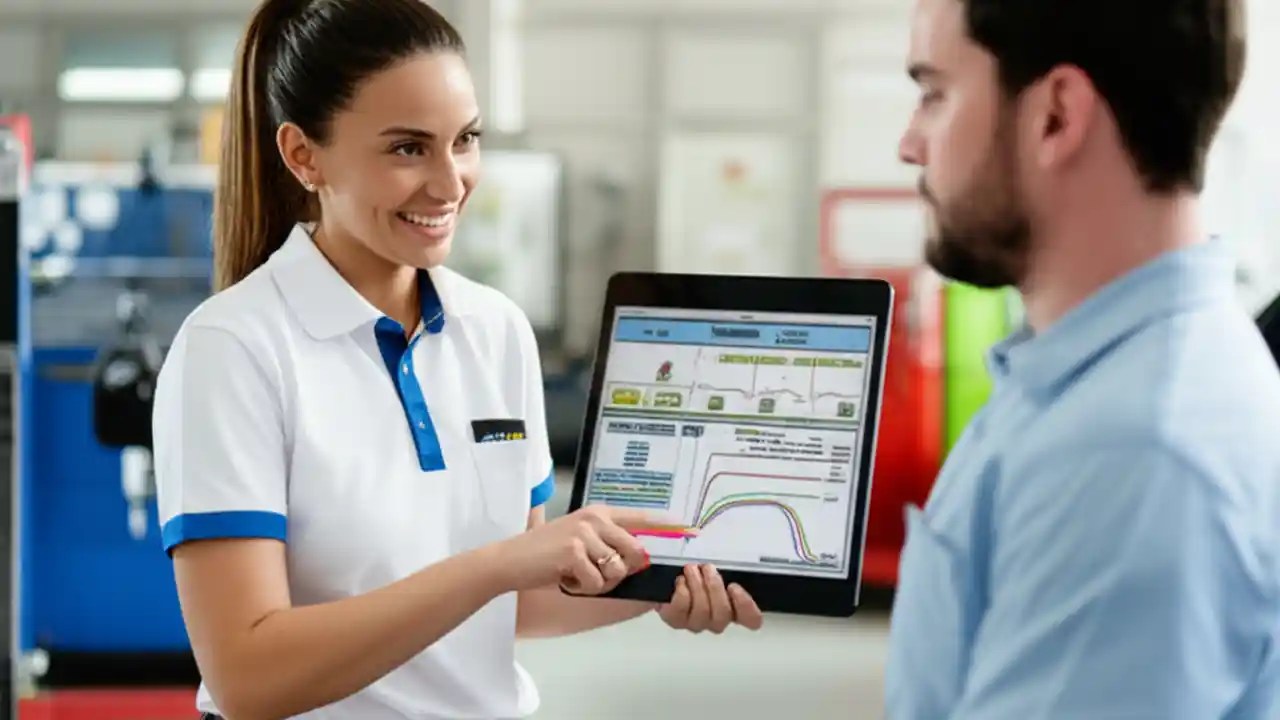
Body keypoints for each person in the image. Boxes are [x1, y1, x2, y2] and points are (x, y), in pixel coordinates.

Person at [151, 1, 762, 718]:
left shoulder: (495, 330)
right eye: (408, 148)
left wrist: (656, 585)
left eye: (465, 139)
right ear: (302, 155)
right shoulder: (234, 348)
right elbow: (249, 677)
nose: (451, 184)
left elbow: (520, 604)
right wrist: (494, 566)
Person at [887, 0, 1280, 718]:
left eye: (936, 94)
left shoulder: (1134, 452)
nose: (910, 144)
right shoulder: (1081, 378)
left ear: (1057, 115)